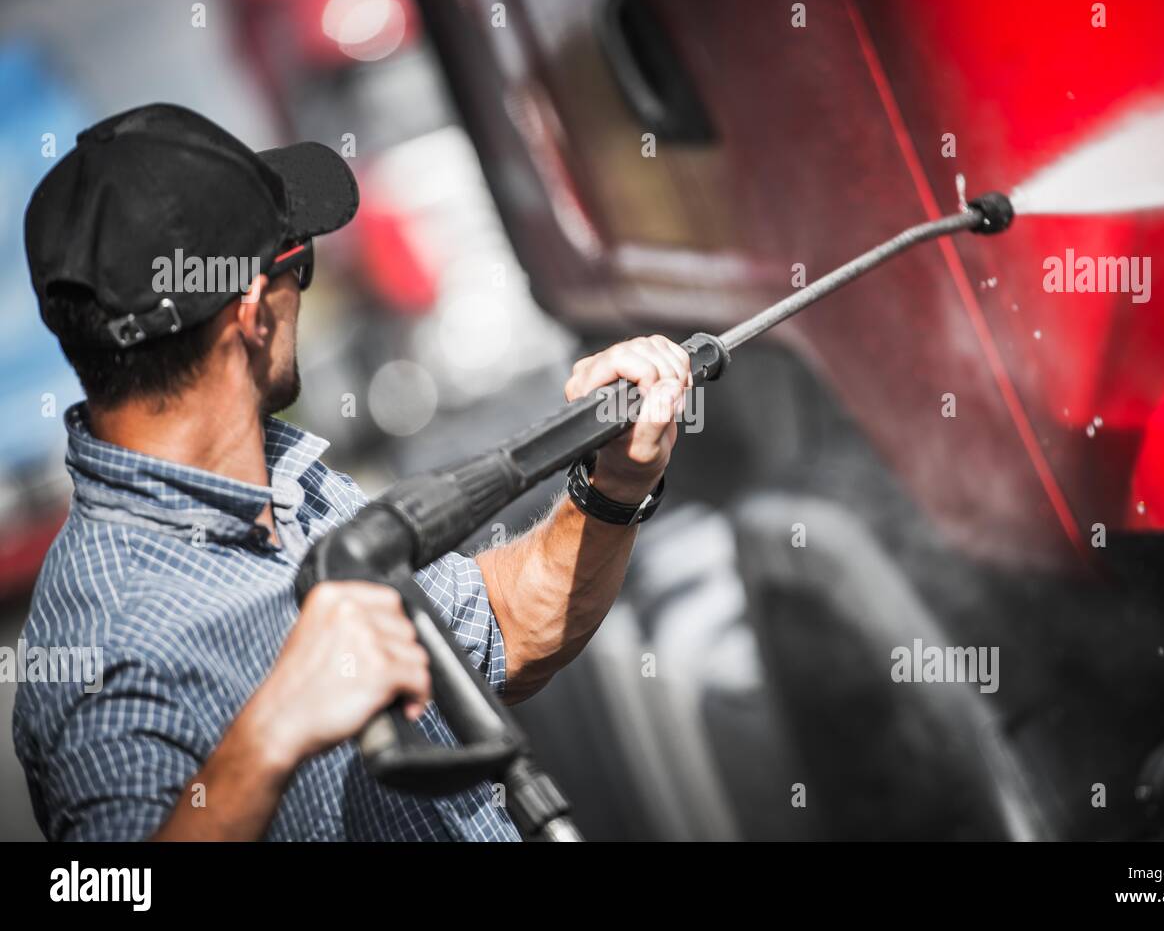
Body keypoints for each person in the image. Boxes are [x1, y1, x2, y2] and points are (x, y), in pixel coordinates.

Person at [15, 103, 691, 841]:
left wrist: (612, 486)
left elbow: (499, 633)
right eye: (295, 261)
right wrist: (272, 733)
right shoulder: (101, 650)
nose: (305, 290)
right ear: (250, 311)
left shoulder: (275, 475)